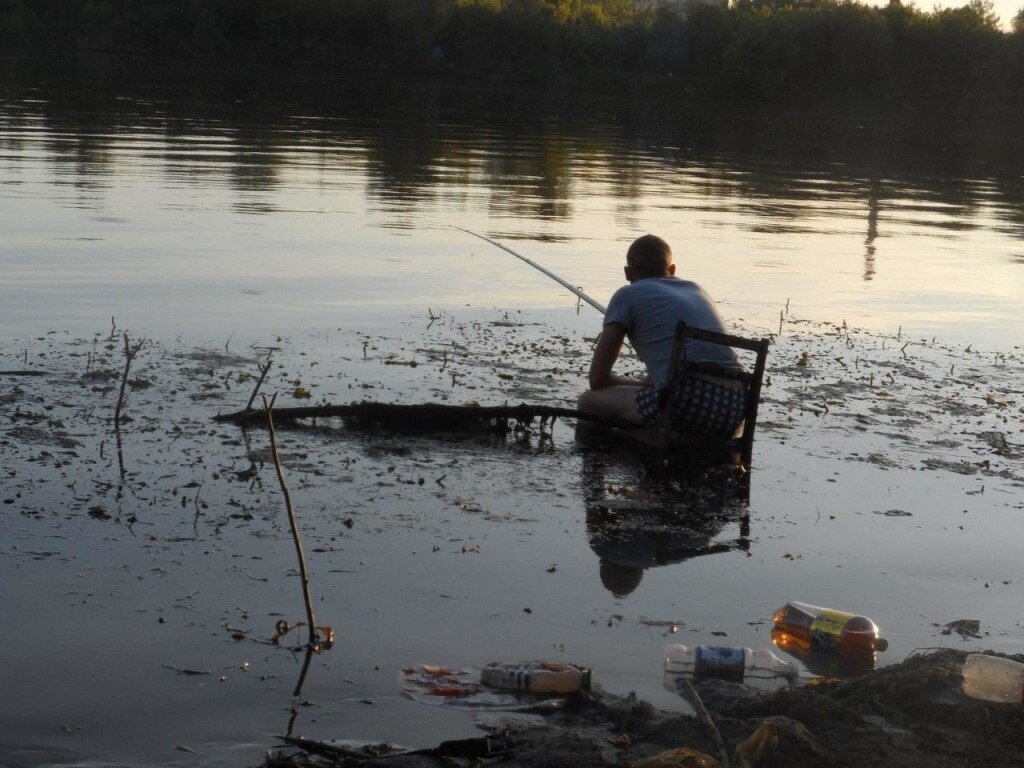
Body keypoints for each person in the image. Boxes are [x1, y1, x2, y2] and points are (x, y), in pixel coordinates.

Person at [578, 234, 746, 432]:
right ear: (672, 269)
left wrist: (639, 384)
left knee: (588, 402)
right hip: (737, 407)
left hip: (683, 405)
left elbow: (598, 379)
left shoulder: (626, 295)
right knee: (663, 395)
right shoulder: (697, 290)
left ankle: (601, 457)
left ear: (627, 273)